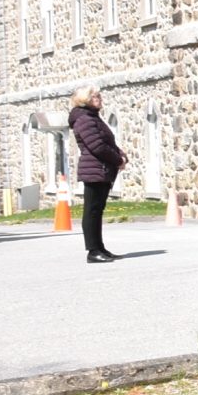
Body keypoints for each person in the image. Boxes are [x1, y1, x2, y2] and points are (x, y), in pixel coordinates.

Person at [68, 85, 125, 264]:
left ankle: (99, 247)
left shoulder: (92, 117)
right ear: (84, 99)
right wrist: (117, 159)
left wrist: (120, 154)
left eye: (99, 95)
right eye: (94, 96)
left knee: (97, 210)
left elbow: (104, 141)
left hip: (101, 168)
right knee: (92, 211)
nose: (99, 98)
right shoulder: (84, 119)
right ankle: (93, 251)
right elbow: (97, 146)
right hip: (94, 169)